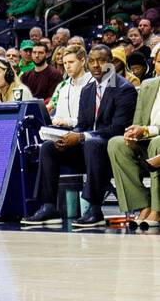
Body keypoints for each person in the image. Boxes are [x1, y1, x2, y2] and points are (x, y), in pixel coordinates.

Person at [21, 44, 138, 229]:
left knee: (93, 143)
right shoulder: (88, 90)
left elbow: (117, 129)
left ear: (112, 64)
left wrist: (82, 137)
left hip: (110, 150)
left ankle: (94, 209)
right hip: (86, 150)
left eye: (101, 61)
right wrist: (68, 137)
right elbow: (82, 125)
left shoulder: (124, 89)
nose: (96, 65)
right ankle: (49, 206)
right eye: (92, 61)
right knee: (49, 147)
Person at [106, 47, 160, 226]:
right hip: (145, 140)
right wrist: (131, 133)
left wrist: (146, 131)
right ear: (154, 64)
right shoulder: (147, 85)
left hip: (155, 141)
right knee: (117, 144)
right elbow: (138, 119)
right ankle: (142, 204)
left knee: (157, 144)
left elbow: (147, 129)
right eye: (159, 62)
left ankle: (157, 209)